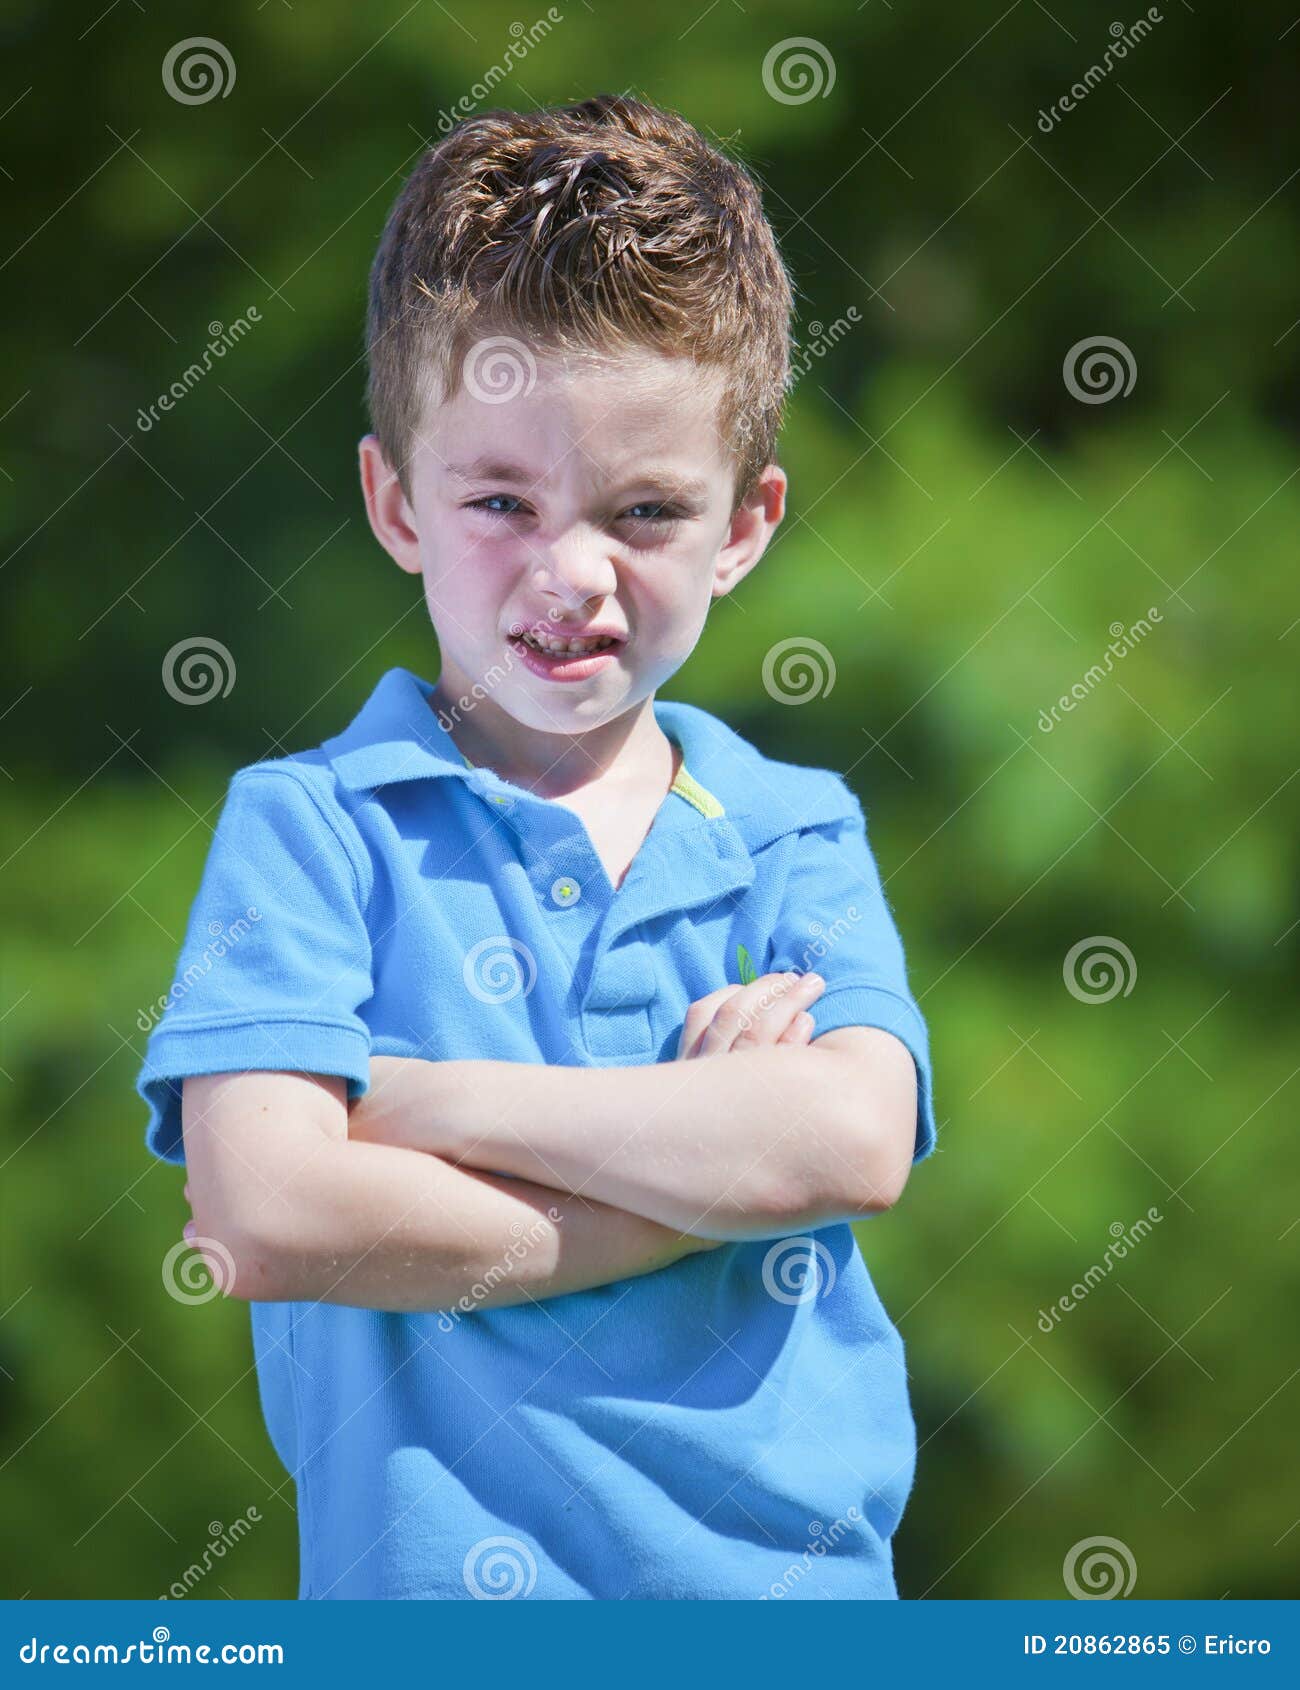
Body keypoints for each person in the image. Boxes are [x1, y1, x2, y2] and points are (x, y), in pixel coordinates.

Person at [136, 93, 938, 1601]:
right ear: (397, 503)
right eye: (501, 499)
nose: (572, 573)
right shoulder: (311, 829)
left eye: (645, 509)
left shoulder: (791, 830)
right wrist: (692, 1165)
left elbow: (846, 1143)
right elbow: (267, 1210)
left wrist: (424, 1102)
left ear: (746, 525)